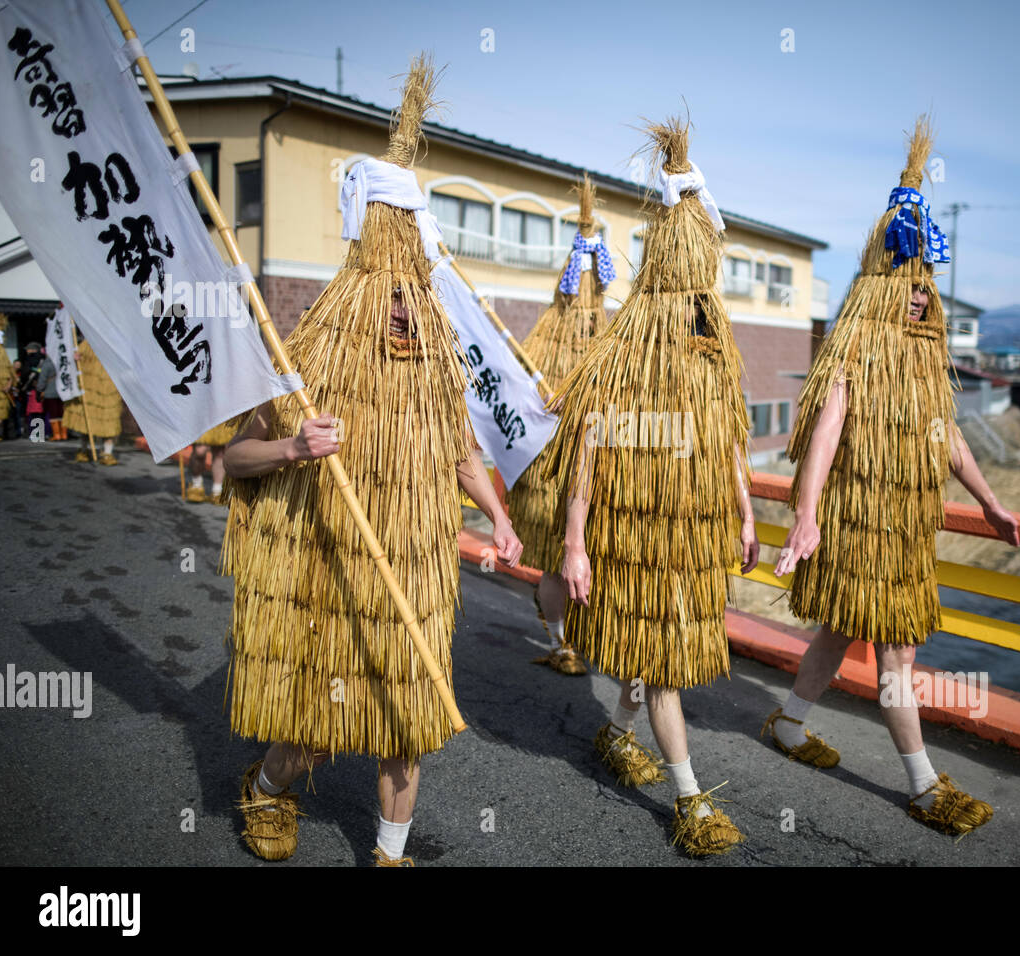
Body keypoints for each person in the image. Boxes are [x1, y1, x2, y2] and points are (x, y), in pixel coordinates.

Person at [222, 56, 522, 867]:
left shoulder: (437, 360)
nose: (401, 306)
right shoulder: (315, 349)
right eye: (390, 294)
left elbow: (463, 455)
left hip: (417, 574)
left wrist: (498, 516)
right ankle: (268, 786)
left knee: (406, 725)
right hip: (334, 572)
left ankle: (391, 854)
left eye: (409, 292)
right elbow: (233, 460)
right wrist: (292, 445)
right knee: (314, 730)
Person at [765, 117, 1019, 839]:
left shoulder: (924, 362)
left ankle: (787, 722)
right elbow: (824, 434)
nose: (919, 296)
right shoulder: (854, 353)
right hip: (858, 526)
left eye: (926, 285)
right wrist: (806, 515)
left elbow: (949, 440)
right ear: (881, 285)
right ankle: (923, 785)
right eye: (908, 283)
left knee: (838, 631)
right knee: (897, 650)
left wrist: (992, 503)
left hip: (907, 530)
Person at [548, 118, 759, 857]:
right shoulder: (621, 353)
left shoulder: (715, 353)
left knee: (653, 649)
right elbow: (587, 458)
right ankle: (691, 799)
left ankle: (615, 731)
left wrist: (743, 512)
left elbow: (730, 437)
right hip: (633, 539)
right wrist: (574, 542)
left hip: (691, 540)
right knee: (666, 664)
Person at [504, 174, 611, 677]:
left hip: (599, 474)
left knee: (587, 558)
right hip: (551, 474)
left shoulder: (610, 342)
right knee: (554, 559)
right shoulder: (543, 344)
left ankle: (574, 630)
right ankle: (559, 639)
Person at [63, 333, 123, 465]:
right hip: (89, 390)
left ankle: (107, 453)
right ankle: (84, 450)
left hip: (109, 389)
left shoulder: (115, 344)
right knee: (86, 424)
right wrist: (75, 359)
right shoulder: (86, 345)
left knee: (109, 425)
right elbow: (73, 363)